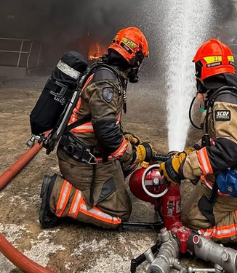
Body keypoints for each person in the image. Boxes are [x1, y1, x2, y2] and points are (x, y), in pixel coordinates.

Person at [154, 38, 237, 257]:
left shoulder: (225, 102)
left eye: (197, 69)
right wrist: (184, 157)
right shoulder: (224, 95)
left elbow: (226, 152)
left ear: (204, 69)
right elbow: (212, 143)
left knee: (190, 227)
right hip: (229, 177)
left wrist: (181, 168)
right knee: (184, 214)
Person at [38, 27, 157, 229]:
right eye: (140, 61)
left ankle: (102, 187)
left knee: (125, 155)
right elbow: (106, 133)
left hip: (83, 150)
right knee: (119, 213)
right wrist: (134, 154)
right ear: (134, 58)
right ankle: (56, 195)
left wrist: (125, 139)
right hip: (82, 159)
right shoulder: (107, 83)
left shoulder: (104, 72)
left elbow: (101, 122)